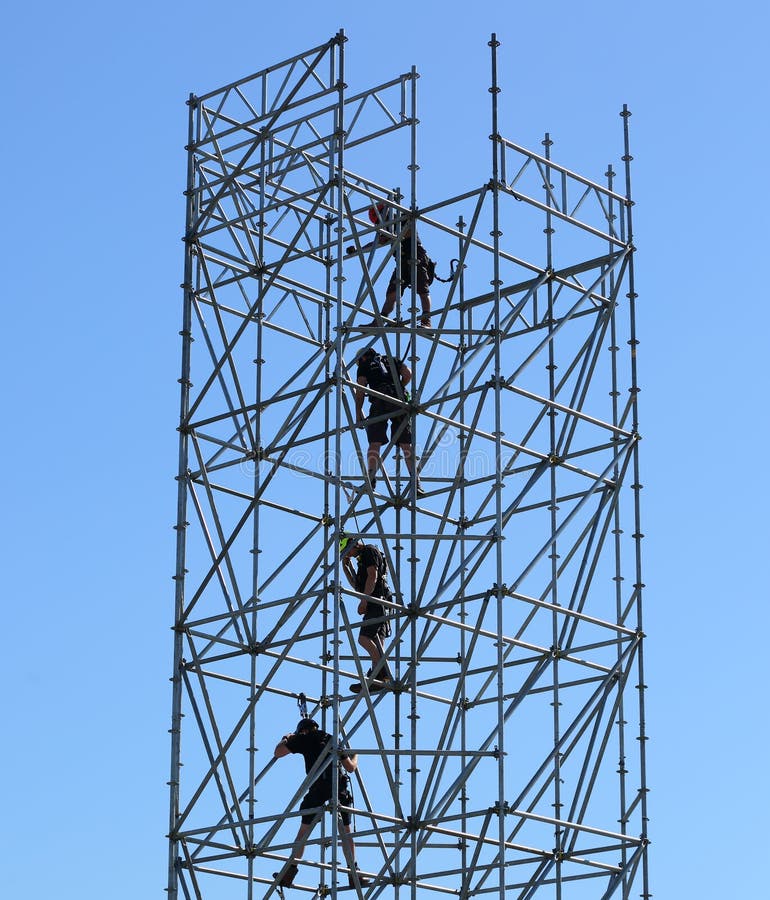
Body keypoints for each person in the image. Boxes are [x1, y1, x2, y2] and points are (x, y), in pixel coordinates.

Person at [274, 717, 368, 889]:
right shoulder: (331, 739)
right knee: (346, 833)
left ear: (302, 730)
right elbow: (350, 767)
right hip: (338, 788)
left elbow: (278, 752)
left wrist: (287, 738)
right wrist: (355, 755)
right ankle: (354, 874)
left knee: (303, 832)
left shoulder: (303, 738)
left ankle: (289, 872)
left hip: (317, 789)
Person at [355, 347, 423, 495]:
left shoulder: (364, 366)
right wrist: (399, 387)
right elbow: (407, 374)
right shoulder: (391, 359)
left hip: (380, 400)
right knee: (406, 444)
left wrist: (358, 411)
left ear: (362, 358)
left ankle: (370, 480)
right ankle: (415, 481)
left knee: (374, 442)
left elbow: (360, 389)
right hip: (400, 400)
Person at [340, 533, 394, 690]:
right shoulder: (361, 559)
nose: (348, 554)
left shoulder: (369, 551)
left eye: (347, 550)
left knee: (364, 638)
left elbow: (373, 576)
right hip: (378, 601)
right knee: (377, 642)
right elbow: (358, 585)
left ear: (354, 544)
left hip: (378, 601)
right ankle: (378, 677)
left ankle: (380, 672)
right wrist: (346, 566)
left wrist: (365, 600)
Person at [372, 203, 433, 329]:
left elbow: (408, 232)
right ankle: (379, 321)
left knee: (422, 289)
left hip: (416, 256)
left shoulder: (403, 219)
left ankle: (426, 321)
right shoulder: (387, 229)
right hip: (401, 261)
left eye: (379, 221)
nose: (379, 226)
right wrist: (357, 249)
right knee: (392, 293)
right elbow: (375, 244)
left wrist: (391, 235)